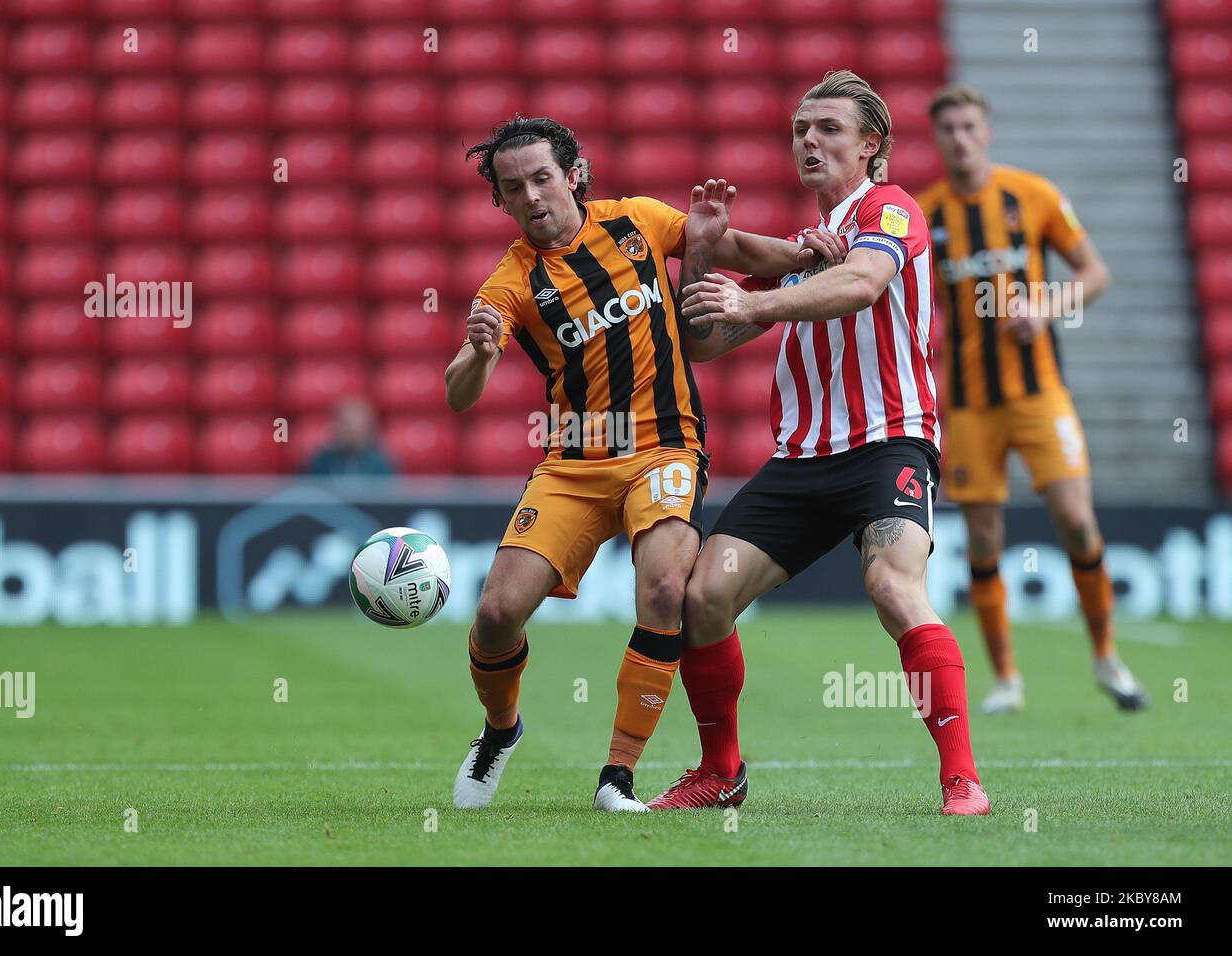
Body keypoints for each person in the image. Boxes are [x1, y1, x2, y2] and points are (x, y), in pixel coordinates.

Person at [444, 115, 815, 812]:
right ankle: (499, 731)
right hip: (574, 464)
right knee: (496, 613)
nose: (531, 196)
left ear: (574, 174)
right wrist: (482, 350)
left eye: (542, 178)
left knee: (667, 590)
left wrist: (804, 257)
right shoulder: (511, 282)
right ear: (500, 200)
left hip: (664, 445)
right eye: (513, 187)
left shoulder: (637, 221)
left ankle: (617, 776)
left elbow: (727, 244)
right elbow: (458, 392)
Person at [648, 70, 991, 816]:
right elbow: (705, 343)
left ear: (872, 146)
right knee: (703, 596)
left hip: (888, 444)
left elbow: (864, 284)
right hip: (804, 459)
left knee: (894, 586)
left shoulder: (891, 210)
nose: (809, 139)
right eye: (801, 128)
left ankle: (961, 779)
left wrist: (760, 295)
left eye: (828, 128)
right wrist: (704, 257)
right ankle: (721, 772)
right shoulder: (805, 248)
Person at [916, 84, 1146, 713]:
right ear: (936, 140)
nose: (960, 138)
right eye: (949, 129)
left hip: (1041, 394)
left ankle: (1106, 659)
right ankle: (1007, 681)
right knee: (984, 539)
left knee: (1077, 521)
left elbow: (1094, 272)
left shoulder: (1034, 196)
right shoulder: (923, 214)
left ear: (985, 132)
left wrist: (1048, 305)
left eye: (969, 126)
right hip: (966, 404)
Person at [305, 398, 394, 477]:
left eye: (358, 427)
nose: (352, 433)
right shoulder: (323, 461)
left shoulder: (380, 462)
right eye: (347, 426)